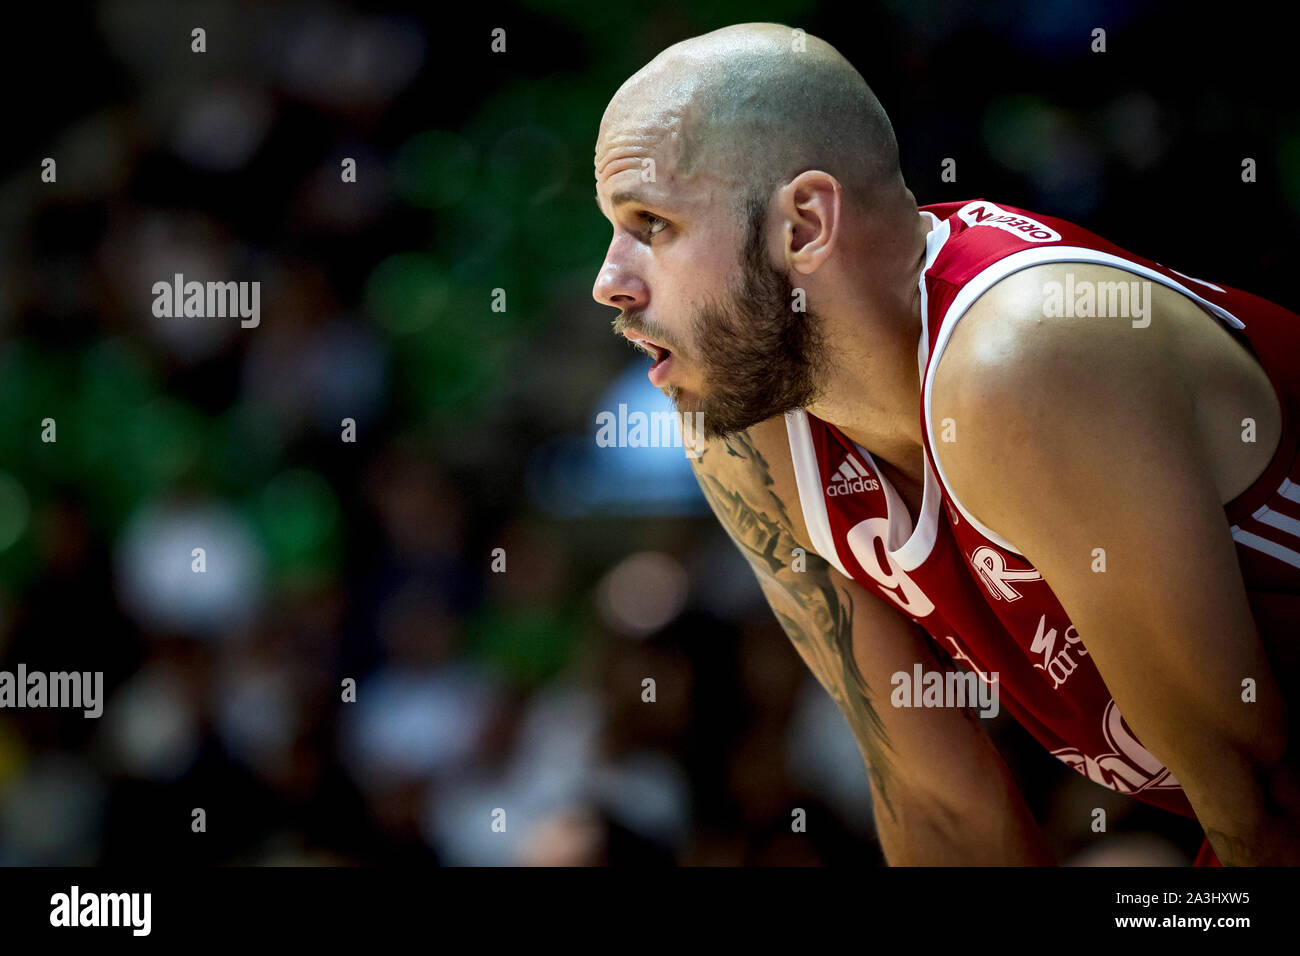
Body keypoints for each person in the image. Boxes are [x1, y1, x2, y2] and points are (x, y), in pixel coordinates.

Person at [591, 22, 1300, 865]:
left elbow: (1267, 807)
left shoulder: (1022, 356)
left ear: (804, 225)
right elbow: (941, 815)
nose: (609, 282)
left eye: (651, 223)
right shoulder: (744, 432)